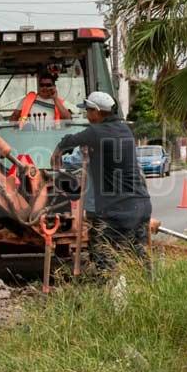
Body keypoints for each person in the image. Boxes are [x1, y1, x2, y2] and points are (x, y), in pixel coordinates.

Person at [53, 91, 151, 273]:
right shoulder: (124, 129)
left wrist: (57, 153)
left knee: (103, 257)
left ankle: (111, 295)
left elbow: (69, 141)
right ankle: (146, 293)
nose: (87, 116)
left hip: (116, 209)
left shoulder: (96, 132)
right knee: (138, 257)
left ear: (97, 112)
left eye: (88, 111)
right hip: (141, 204)